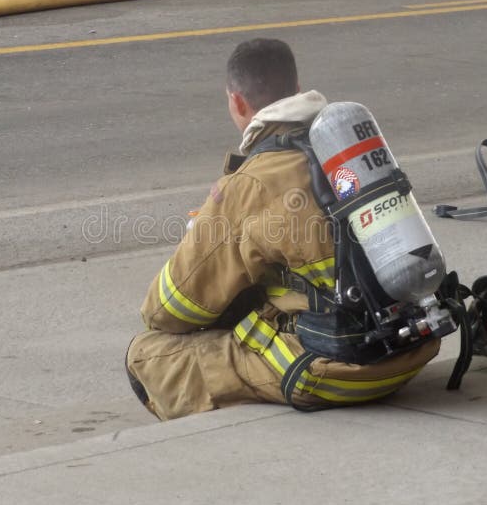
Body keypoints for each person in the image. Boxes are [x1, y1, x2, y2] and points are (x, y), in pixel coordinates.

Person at [126, 38, 439, 420]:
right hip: (411, 352)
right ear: (296, 88)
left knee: (147, 354)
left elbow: (169, 310)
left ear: (237, 103)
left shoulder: (251, 183)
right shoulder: (348, 149)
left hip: (339, 370)